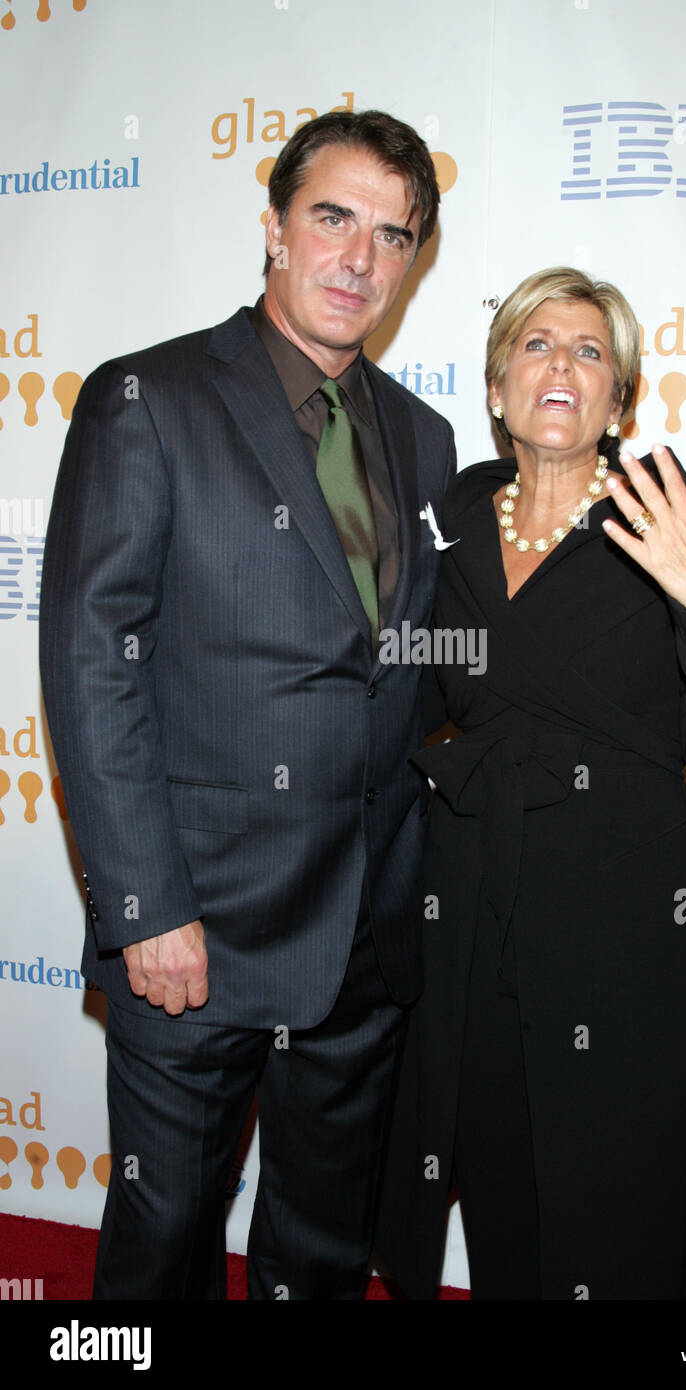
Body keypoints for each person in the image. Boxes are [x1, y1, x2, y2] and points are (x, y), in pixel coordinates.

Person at [39, 109, 456, 1300]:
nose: (357, 259)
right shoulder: (149, 398)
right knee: (161, 1242)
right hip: (196, 935)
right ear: (273, 229)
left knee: (320, 1253)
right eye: (331, 218)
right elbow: (92, 660)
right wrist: (142, 906)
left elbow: (409, 671)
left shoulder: (420, 440)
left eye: (392, 235)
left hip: (363, 938)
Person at [375, 266, 686, 1300]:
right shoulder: (453, 517)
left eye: (589, 351)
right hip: (471, 908)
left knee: (617, 1200)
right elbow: (410, 707)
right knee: (501, 1181)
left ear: (617, 399)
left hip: (620, 921)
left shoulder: (662, 515)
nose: (562, 364)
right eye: (536, 344)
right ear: (499, 387)